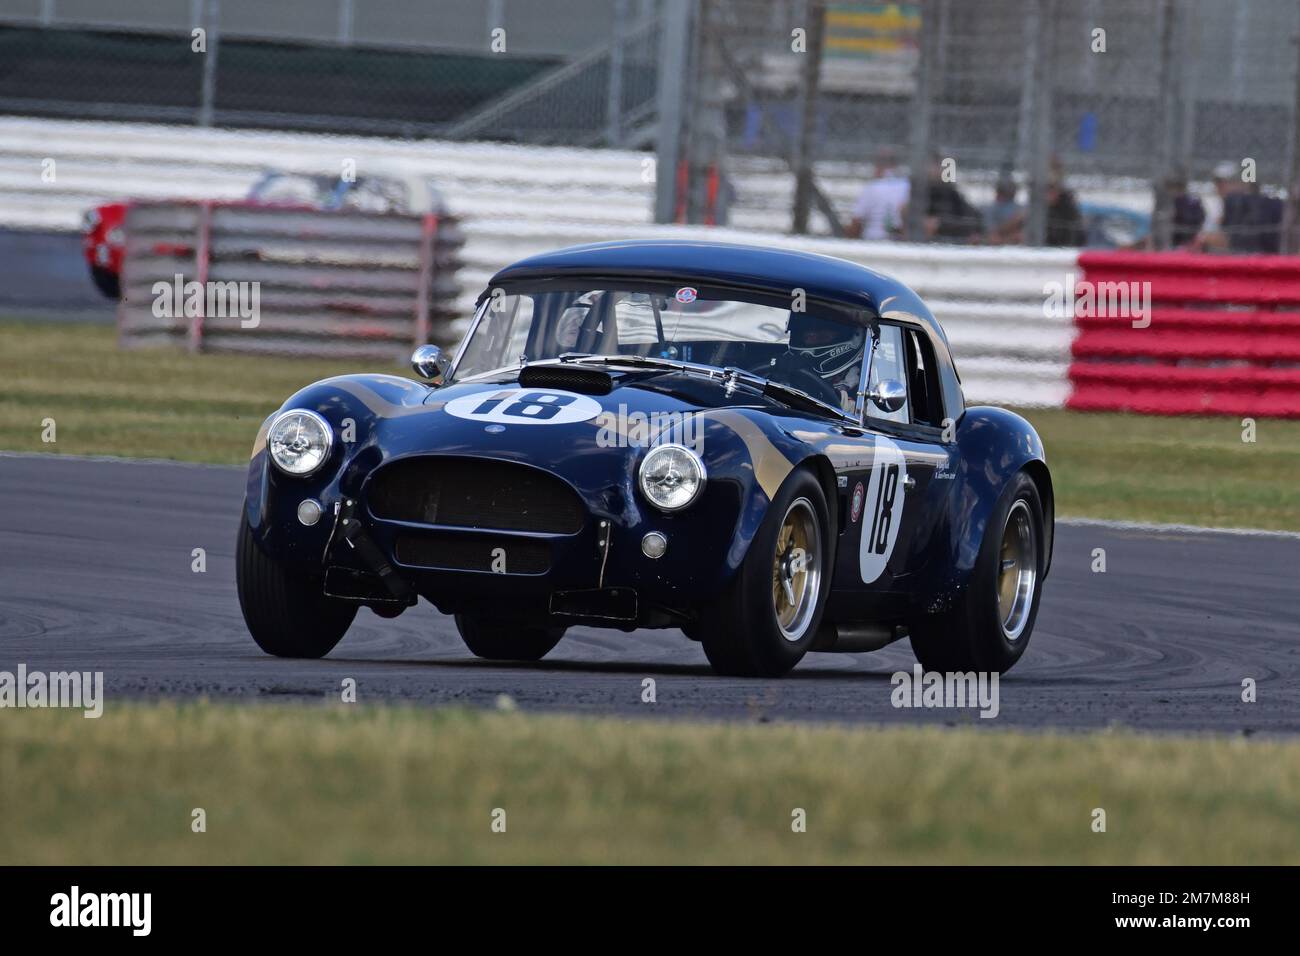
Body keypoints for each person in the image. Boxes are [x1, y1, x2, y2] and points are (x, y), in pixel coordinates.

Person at [849, 148, 909, 240]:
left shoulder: (872, 187)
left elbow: (856, 220)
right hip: (901, 240)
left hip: (873, 240)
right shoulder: (907, 185)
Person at [1044, 176, 1085, 247]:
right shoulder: (1045, 208)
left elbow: (1074, 231)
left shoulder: (1068, 208)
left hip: (1066, 246)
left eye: (1051, 193)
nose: (1048, 197)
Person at [985, 173, 1024, 245]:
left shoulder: (1018, 208)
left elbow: (1021, 235)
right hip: (997, 242)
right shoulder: (992, 209)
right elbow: (992, 232)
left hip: (1016, 244)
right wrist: (1012, 222)